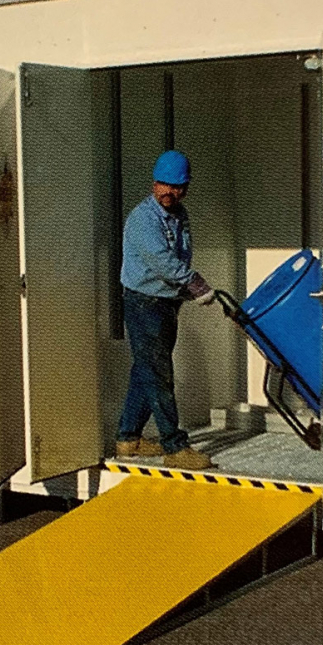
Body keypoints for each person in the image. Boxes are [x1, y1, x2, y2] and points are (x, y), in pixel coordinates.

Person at [115, 150, 216, 471]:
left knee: (145, 370)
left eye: (178, 187)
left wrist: (184, 291)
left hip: (165, 302)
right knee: (159, 375)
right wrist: (195, 284)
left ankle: (128, 438)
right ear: (154, 183)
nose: (171, 193)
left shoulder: (179, 215)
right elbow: (163, 261)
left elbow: (181, 256)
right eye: (165, 186)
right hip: (144, 303)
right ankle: (174, 445)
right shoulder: (143, 219)